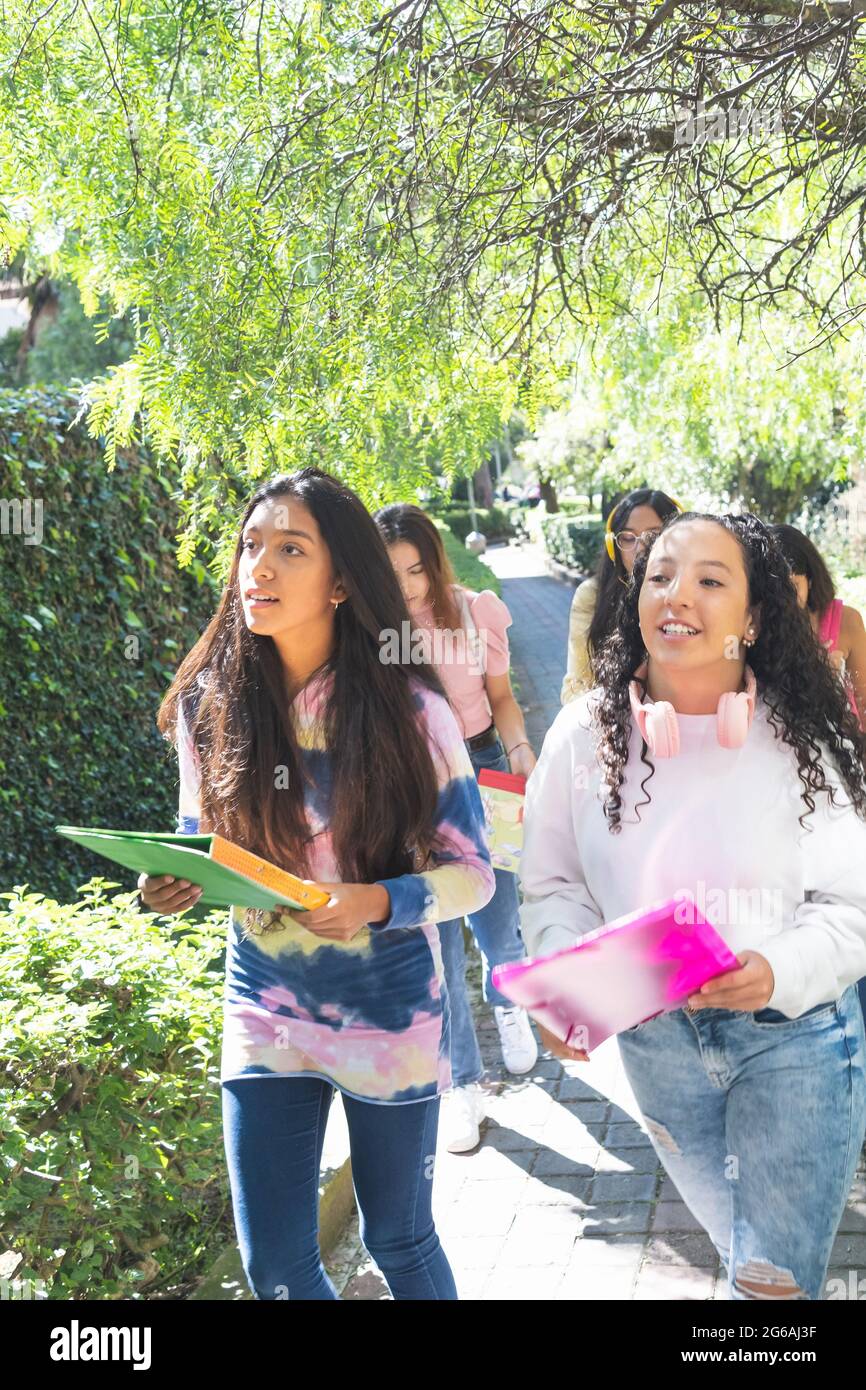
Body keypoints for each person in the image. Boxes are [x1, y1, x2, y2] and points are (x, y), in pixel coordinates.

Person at [137, 468, 495, 1300]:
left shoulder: (413, 714)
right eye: (251, 546)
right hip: (263, 1003)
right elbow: (202, 837)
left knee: (399, 1241)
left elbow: (472, 877)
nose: (257, 567)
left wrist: (378, 901)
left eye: (289, 549)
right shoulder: (208, 704)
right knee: (276, 1267)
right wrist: (175, 880)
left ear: (340, 582)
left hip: (390, 1009)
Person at [520, 510, 866, 1300]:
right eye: (661, 576)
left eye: (711, 580)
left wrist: (777, 968)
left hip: (795, 1043)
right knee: (741, 1259)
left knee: (771, 1287)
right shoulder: (581, 737)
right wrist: (567, 981)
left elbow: (854, 904)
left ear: (752, 617)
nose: (678, 594)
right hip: (656, 1049)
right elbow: (553, 886)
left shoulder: (804, 739)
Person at [376, 502, 538, 1153]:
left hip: (480, 767)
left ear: (434, 561)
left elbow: (499, 696)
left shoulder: (475, 611)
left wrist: (521, 748)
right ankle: (461, 1086)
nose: (410, 587)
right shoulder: (372, 629)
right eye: (395, 575)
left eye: (417, 570)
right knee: (435, 937)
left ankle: (511, 1007)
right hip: (412, 785)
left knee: (496, 916)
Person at [561, 489, 681, 705]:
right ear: (612, 545)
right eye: (627, 538)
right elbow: (576, 685)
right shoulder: (591, 595)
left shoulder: (688, 597)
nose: (640, 549)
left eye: (653, 536)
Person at [769, 523, 866, 728]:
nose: (782, 598)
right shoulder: (755, 625)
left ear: (810, 580)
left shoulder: (846, 622)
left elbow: (864, 703)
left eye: (792, 587)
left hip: (841, 745)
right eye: (774, 588)